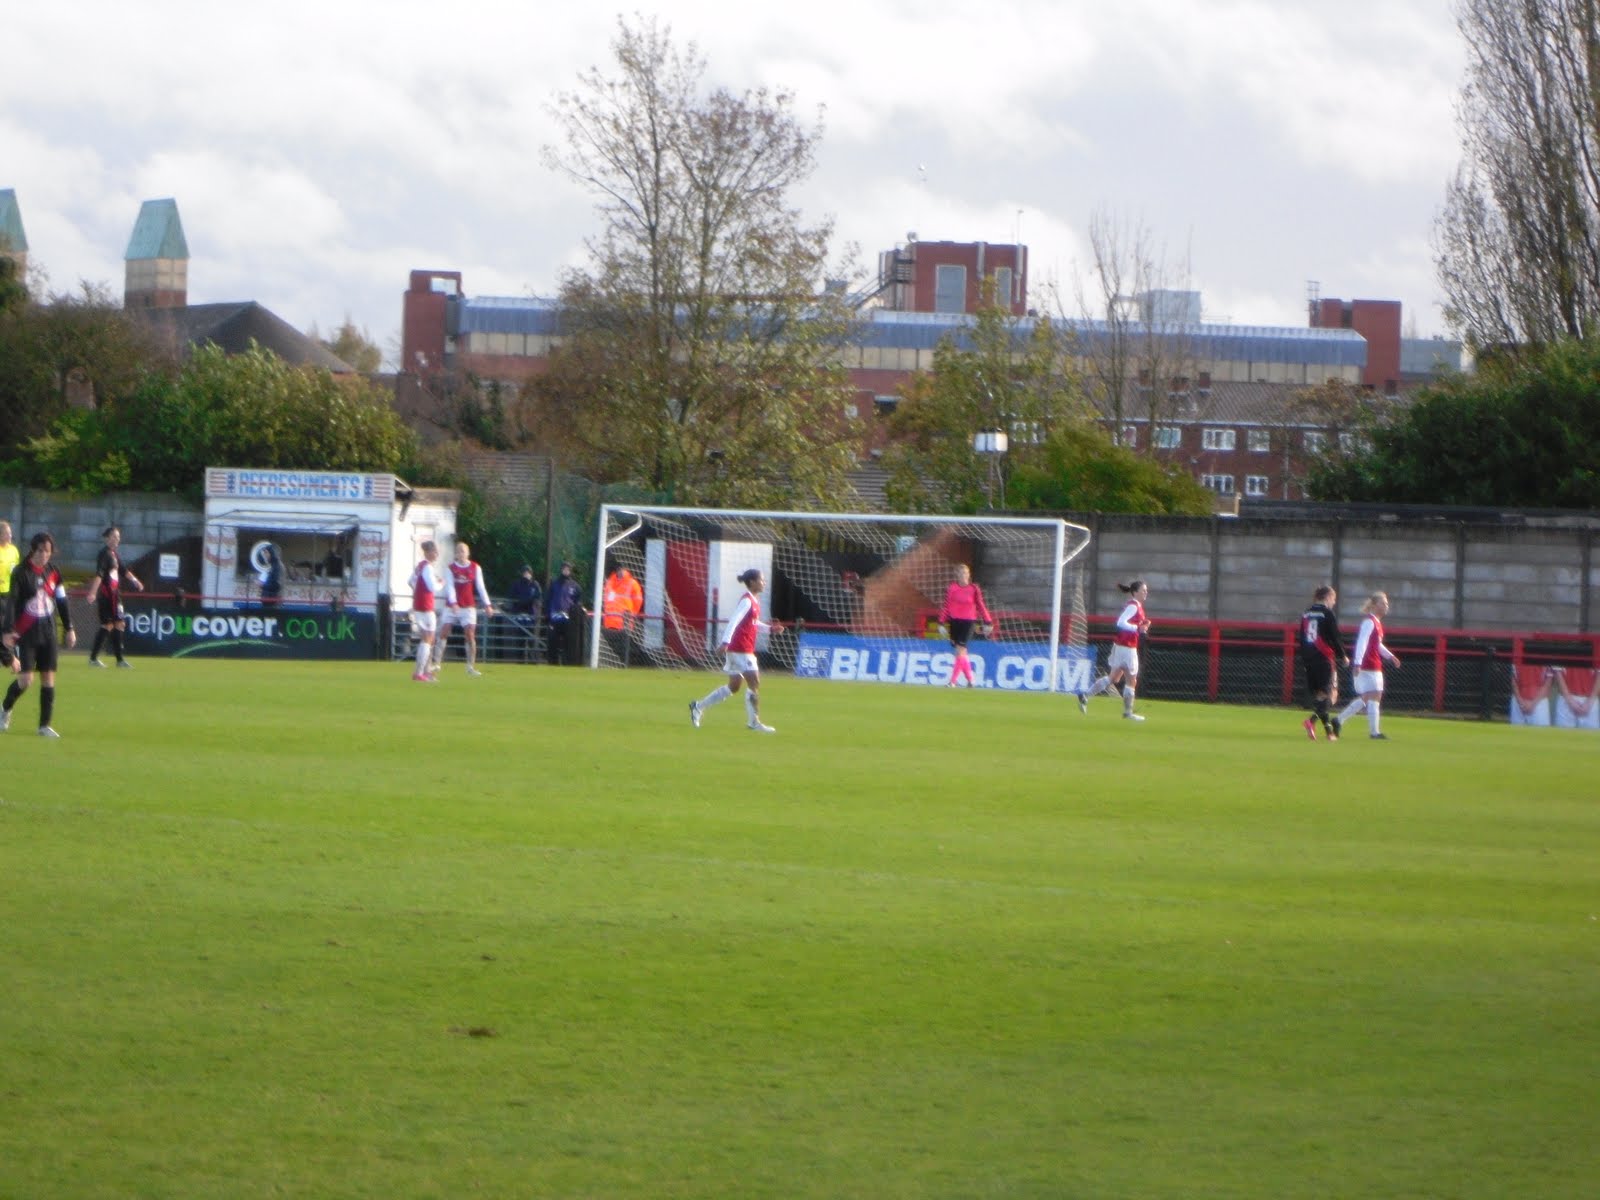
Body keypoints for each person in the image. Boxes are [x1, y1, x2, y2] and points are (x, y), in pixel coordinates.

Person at [689, 566, 783, 733]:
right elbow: (734, 620)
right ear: (752, 582)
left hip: (739, 648)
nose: (764, 582)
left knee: (734, 686)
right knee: (754, 682)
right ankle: (754, 722)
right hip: (741, 648)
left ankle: (698, 706)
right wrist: (725, 642)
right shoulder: (747, 601)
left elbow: (752, 624)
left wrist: (769, 629)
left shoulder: (754, 600)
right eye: (761, 580)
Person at [1, 532, 77, 737]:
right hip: (26, 634)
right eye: (41, 550)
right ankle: (5, 708)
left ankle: (44, 725)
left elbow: (61, 602)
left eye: (48, 551)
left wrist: (69, 628)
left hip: (48, 632)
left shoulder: (54, 572)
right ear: (33, 550)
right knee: (26, 680)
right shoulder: (21, 572)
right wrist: (7, 631)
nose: (44, 555)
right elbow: (12, 602)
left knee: (48, 678)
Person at [1335, 591, 1401, 739]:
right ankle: (1373, 732)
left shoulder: (1376, 623)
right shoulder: (1369, 622)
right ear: (1374, 605)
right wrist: (1357, 662)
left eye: (1387, 604)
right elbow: (1362, 642)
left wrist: (1390, 656)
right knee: (1374, 695)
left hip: (1373, 663)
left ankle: (1339, 720)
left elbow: (1377, 645)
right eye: (1383, 603)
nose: (1386, 606)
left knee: (1370, 697)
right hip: (1368, 664)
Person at [1081, 580, 1151, 721]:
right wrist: (1137, 628)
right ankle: (1128, 713)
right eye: (1143, 590)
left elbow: (1132, 625)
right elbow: (1120, 622)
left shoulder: (1135, 606)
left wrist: (1142, 627)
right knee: (1132, 680)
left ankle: (1085, 695)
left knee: (1114, 678)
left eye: (1146, 590)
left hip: (1121, 646)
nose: (1146, 593)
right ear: (1135, 592)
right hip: (1127, 647)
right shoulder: (1134, 606)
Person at [85, 525, 144, 668]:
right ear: (107, 538)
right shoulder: (104, 554)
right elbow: (99, 574)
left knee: (119, 624)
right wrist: (93, 592)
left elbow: (123, 570)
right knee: (108, 625)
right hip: (107, 595)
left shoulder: (114, 554)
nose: (117, 539)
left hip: (115, 595)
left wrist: (135, 581)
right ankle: (93, 659)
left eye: (118, 537)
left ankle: (119, 660)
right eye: (114, 536)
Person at [432, 540, 495, 677]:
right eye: (458, 551)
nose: (461, 554)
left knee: (470, 634)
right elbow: (449, 587)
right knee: (444, 632)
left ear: (468, 553)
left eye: (463, 551)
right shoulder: (450, 568)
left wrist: (488, 605)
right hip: (452, 606)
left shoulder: (475, 568)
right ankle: (436, 663)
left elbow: (480, 587)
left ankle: (470, 666)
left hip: (468, 606)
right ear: (455, 554)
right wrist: (453, 603)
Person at [1298, 584, 1349, 741]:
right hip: (1324, 657)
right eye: (1333, 598)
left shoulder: (1306, 614)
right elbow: (1335, 637)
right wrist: (1343, 656)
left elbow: (1302, 637)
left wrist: (1305, 657)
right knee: (1330, 695)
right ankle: (1312, 721)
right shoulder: (1327, 613)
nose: (1334, 602)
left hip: (1309, 658)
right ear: (1327, 597)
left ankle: (1328, 732)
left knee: (1321, 695)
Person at [937, 562, 992, 688]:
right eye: (961, 573)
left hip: (968, 622)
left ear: (969, 575)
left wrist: (988, 621)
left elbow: (980, 605)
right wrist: (941, 622)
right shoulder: (952, 588)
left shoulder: (973, 589)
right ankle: (971, 681)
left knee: (960, 650)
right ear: (957, 575)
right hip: (954, 621)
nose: (963, 576)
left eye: (965, 573)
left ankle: (953, 682)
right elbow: (947, 606)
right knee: (961, 653)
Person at [407, 540, 443, 682]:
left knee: (429, 639)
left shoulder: (420, 566)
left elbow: (410, 581)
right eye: (435, 551)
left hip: (418, 605)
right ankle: (419, 672)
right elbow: (432, 587)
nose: (437, 554)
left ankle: (426, 671)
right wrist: (441, 583)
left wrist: (417, 592)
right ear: (428, 552)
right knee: (428, 639)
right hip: (425, 606)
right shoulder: (427, 567)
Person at [601, 564, 644, 660]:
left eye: (621, 569)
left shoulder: (632, 583)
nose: (620, 571)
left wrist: (631, 614)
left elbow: (638, 600)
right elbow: (605, 600)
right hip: (609, 622)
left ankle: (625, 663)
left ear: (625, 570)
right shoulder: (609, 582)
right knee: (610, 648)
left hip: (624, 622)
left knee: (623, 648)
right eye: (618, 569)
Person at [545, 561, 584, 666]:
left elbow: (578, 603)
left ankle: (567, 664)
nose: (566, 571)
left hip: (568, 620)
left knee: (568, 644)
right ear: (561, 570)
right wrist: (548, 616)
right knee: (553, 642)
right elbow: (548, 600)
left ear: (570, 571)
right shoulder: (554, 584)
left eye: (568, 569)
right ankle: (553, 664)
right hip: (555, 618)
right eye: (564, 569)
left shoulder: (575, 586)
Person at [0, 520, 19, 636]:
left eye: (10, 533)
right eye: (7, 533)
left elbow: (16, 570)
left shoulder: (13, 551)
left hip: (9, 591)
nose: (10, 535)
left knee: (9, 620)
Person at [258, 543, 284, 607]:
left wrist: (263, 585)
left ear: (272, 553)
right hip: (269, 601)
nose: (265, 555)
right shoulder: (273, 566)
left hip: (273, 603)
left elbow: (277, 584)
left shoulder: (277, 566)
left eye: (266, 553)